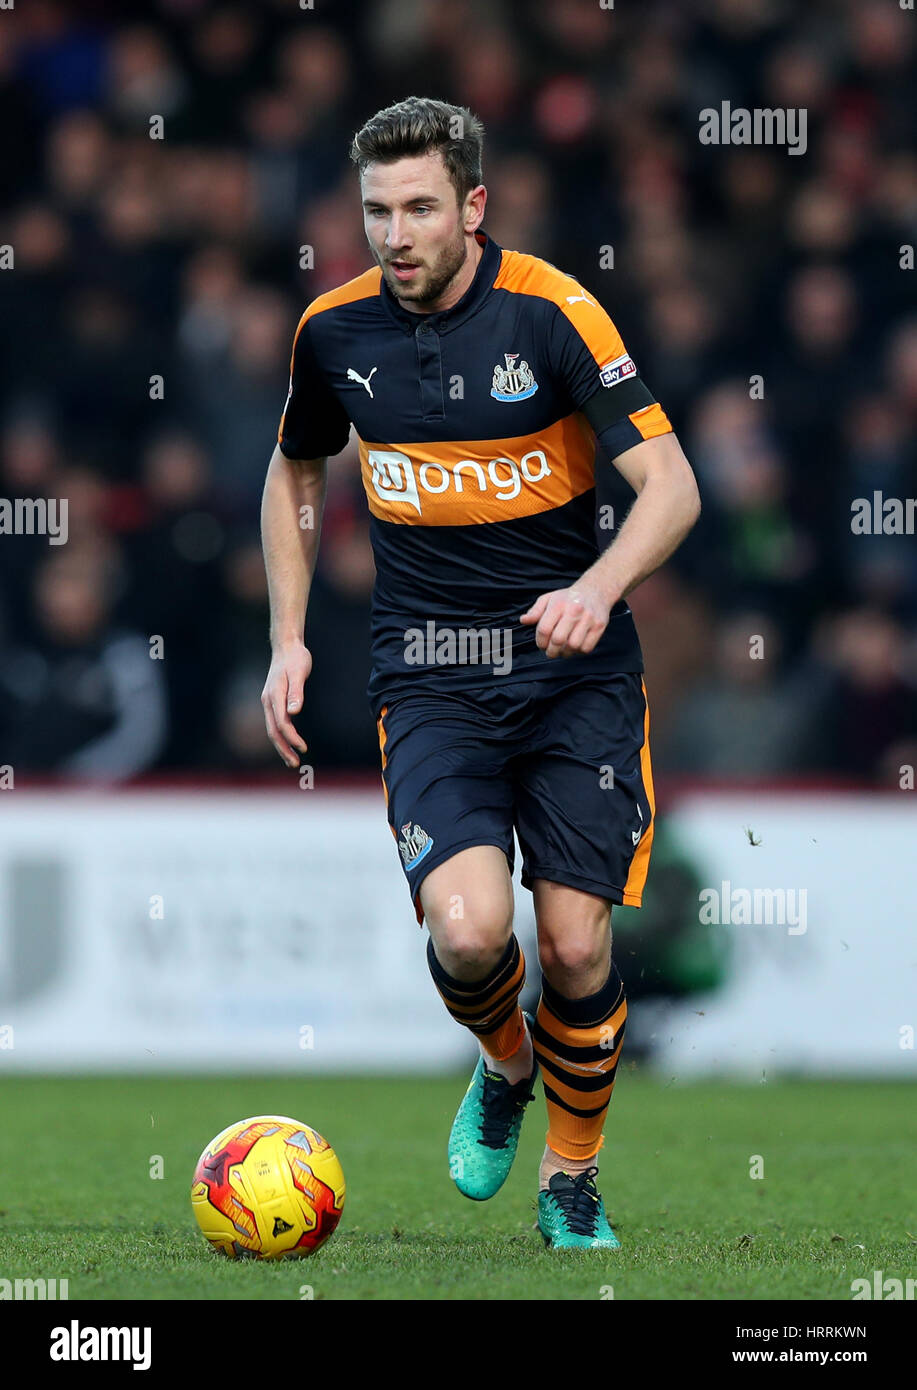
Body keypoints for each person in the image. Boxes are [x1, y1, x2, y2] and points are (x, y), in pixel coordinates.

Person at [261, 96, 700, 1249]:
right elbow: (295, 469)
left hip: (571, 674)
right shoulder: (332, 332)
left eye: (418, 208)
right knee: (467, 933)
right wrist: (288, 636)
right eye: (375, 211)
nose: (394, 235)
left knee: (574, 946)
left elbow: (672, 488)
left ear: (472, 207)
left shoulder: (554, 314)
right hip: (428, 675)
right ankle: (506, 1064)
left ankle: (571, 1180)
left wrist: (596, 587)